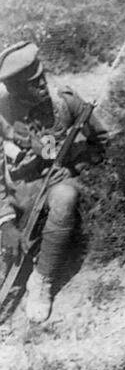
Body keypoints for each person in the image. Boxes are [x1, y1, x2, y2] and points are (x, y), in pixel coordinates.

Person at [0, 41, 112, 323]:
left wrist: (76, 165)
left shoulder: (65, 101)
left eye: (41, 78)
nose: (41, 87)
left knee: (64, 197)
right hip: (15, 192)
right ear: (13, 89)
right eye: (31, 84)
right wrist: (4, 221)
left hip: (54, 184)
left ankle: (43, 279)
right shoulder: (2, 114)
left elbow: (101, 142)